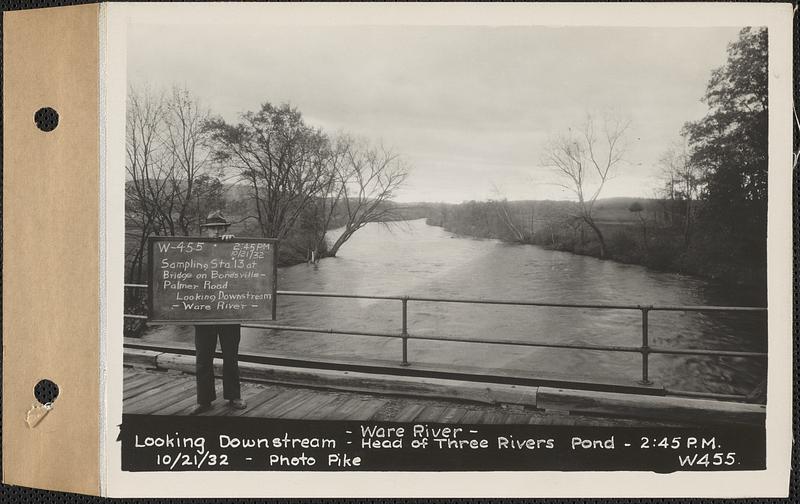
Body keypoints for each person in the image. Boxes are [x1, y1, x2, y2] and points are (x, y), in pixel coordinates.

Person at [193, 210, 247, 413]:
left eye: (219, 228)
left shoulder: (233, 246)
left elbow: (248, 268)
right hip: (203, 311)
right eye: (212, 228)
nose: (215, 232)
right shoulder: (195, 250)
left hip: (229, 311)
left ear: (224, 229)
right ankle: (204, 400)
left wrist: (231, 245)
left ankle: (234, 396)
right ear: (206, 231)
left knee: (231, 356)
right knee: (203, 358)